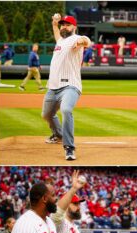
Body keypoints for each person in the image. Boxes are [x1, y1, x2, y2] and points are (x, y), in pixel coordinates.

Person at [42, 14, 91, 160]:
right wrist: (54, 23)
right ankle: (58, 135)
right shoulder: (60, 41)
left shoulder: (76, 38)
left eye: (67, 24)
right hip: (53, 87)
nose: (64, 27)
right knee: (46, 115)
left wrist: (82, 41)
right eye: (63, 24)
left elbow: (87, 41)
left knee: (66, 109)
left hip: (70, 86)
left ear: (74, 27)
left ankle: (69, 147)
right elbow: (57, 32)